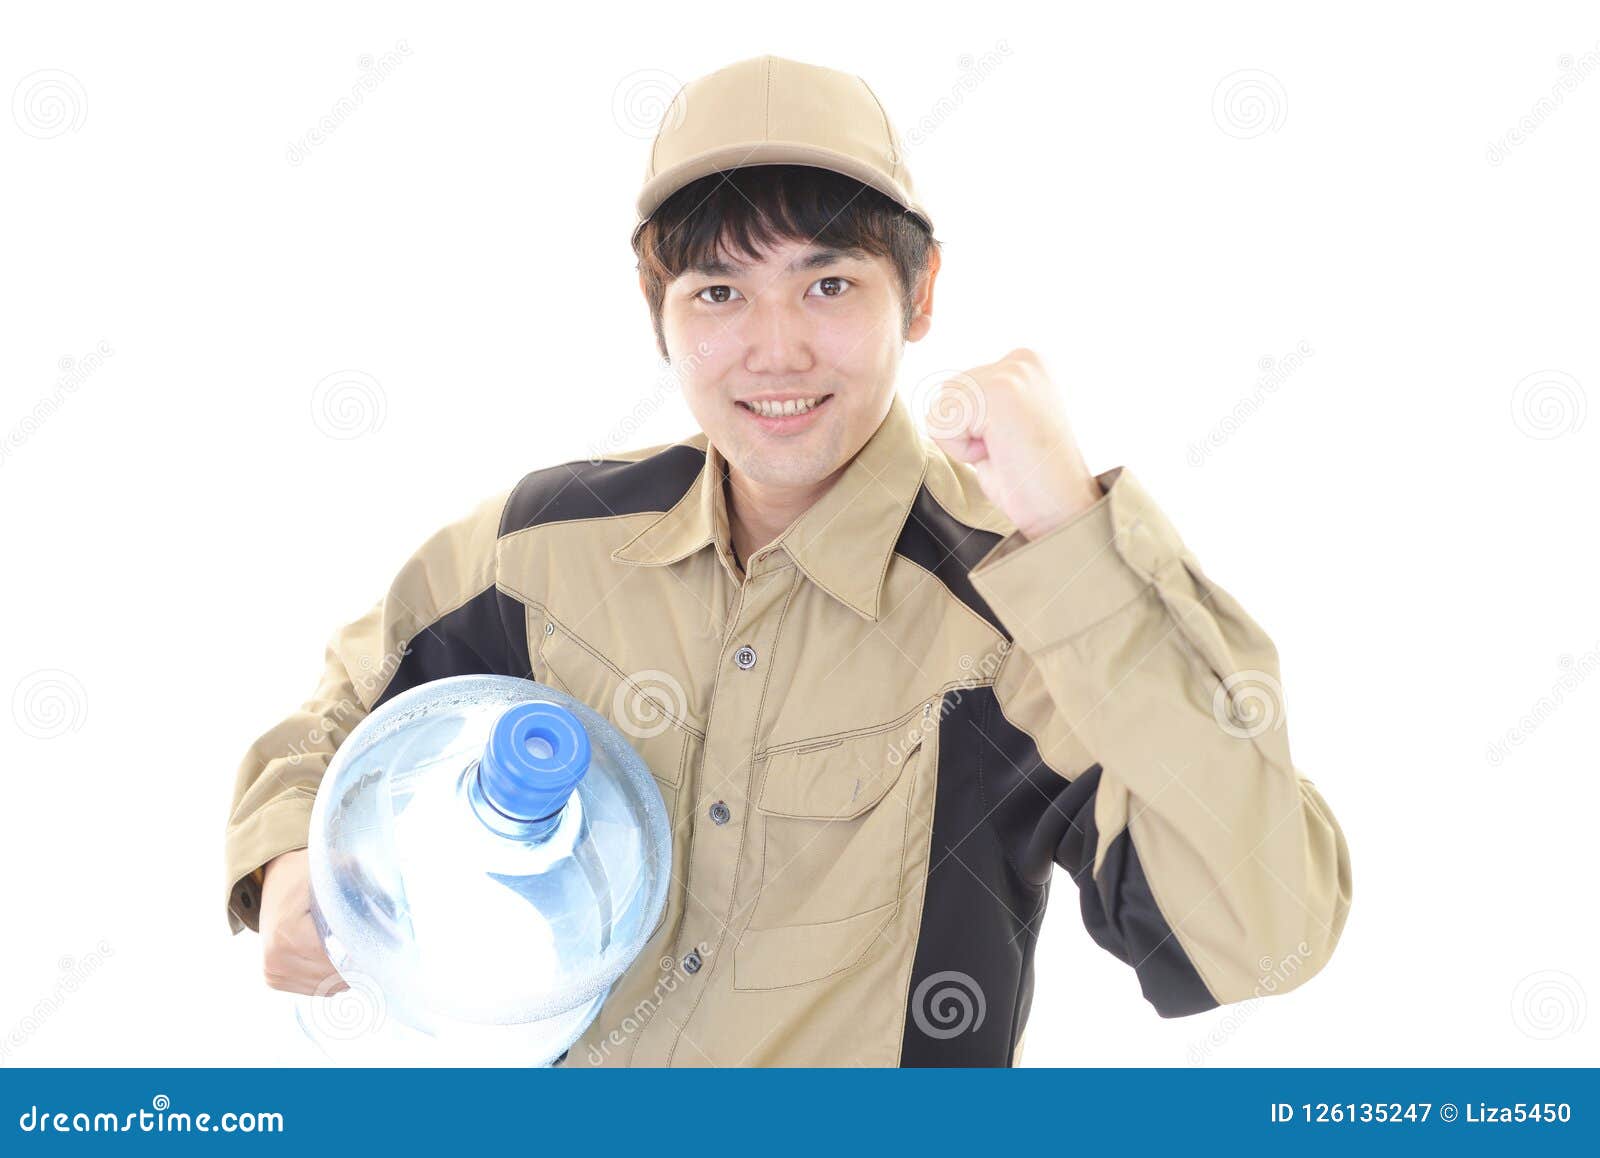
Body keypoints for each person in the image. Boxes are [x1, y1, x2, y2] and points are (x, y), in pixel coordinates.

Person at [225, 54, 1352, 1067]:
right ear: (656, 313)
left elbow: (1265, 936)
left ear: (920, 293)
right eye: (719, 292)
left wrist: (1075, 539)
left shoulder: (1021, 613)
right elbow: (342, 716)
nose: (775, 351)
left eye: (828, 285)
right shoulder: (541, 548)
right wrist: (287, 860)